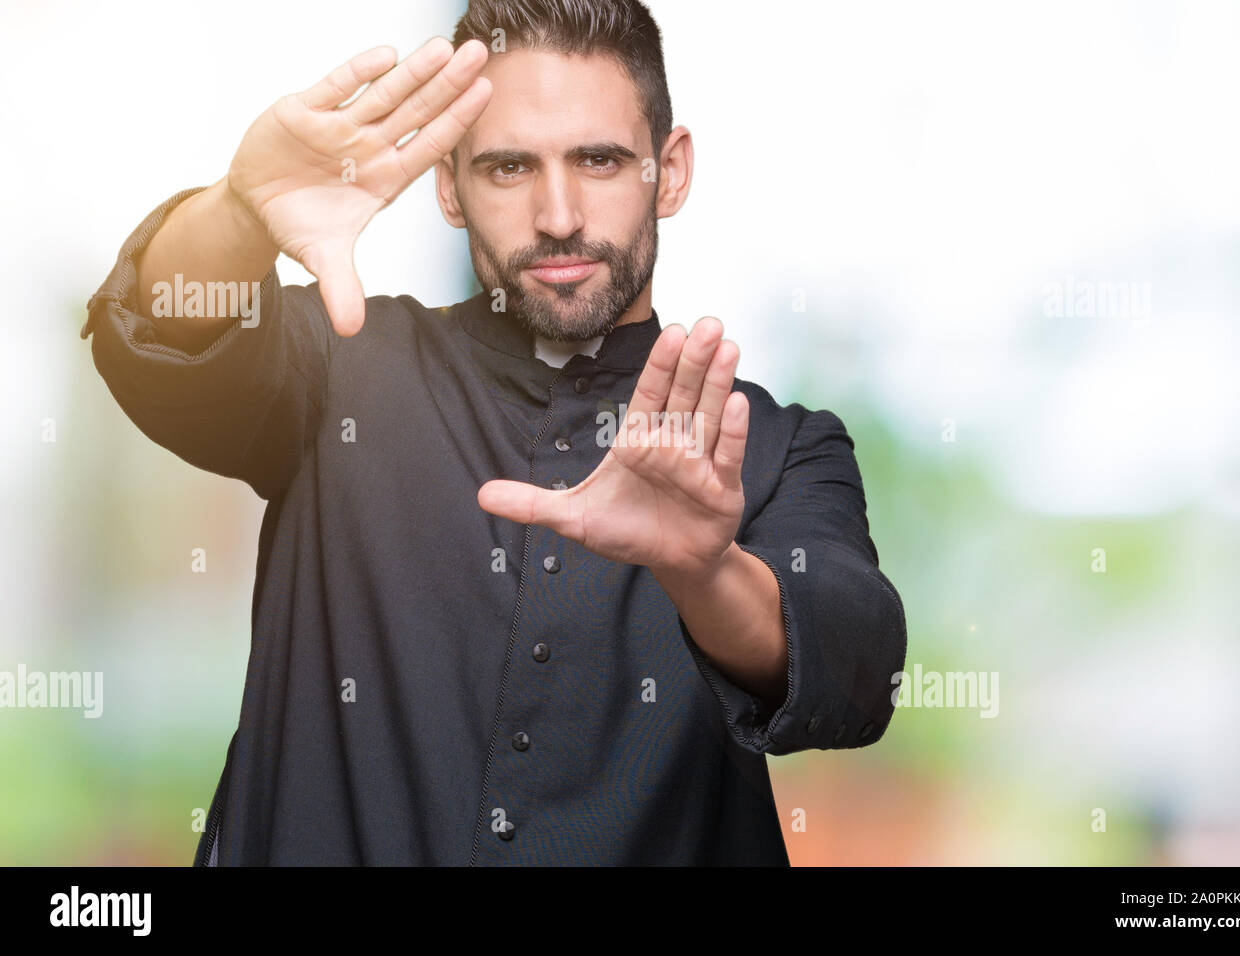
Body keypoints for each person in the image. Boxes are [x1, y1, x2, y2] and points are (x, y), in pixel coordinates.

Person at [82, 0, 907, 865]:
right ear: (449, 186)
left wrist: (704, 572)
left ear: (671, 171)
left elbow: (858, 669)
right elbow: (161, 332)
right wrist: (239, 216)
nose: (558, 214)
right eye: (510, 167)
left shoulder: (778, 446)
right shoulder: (339, 368)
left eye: (598, 159)